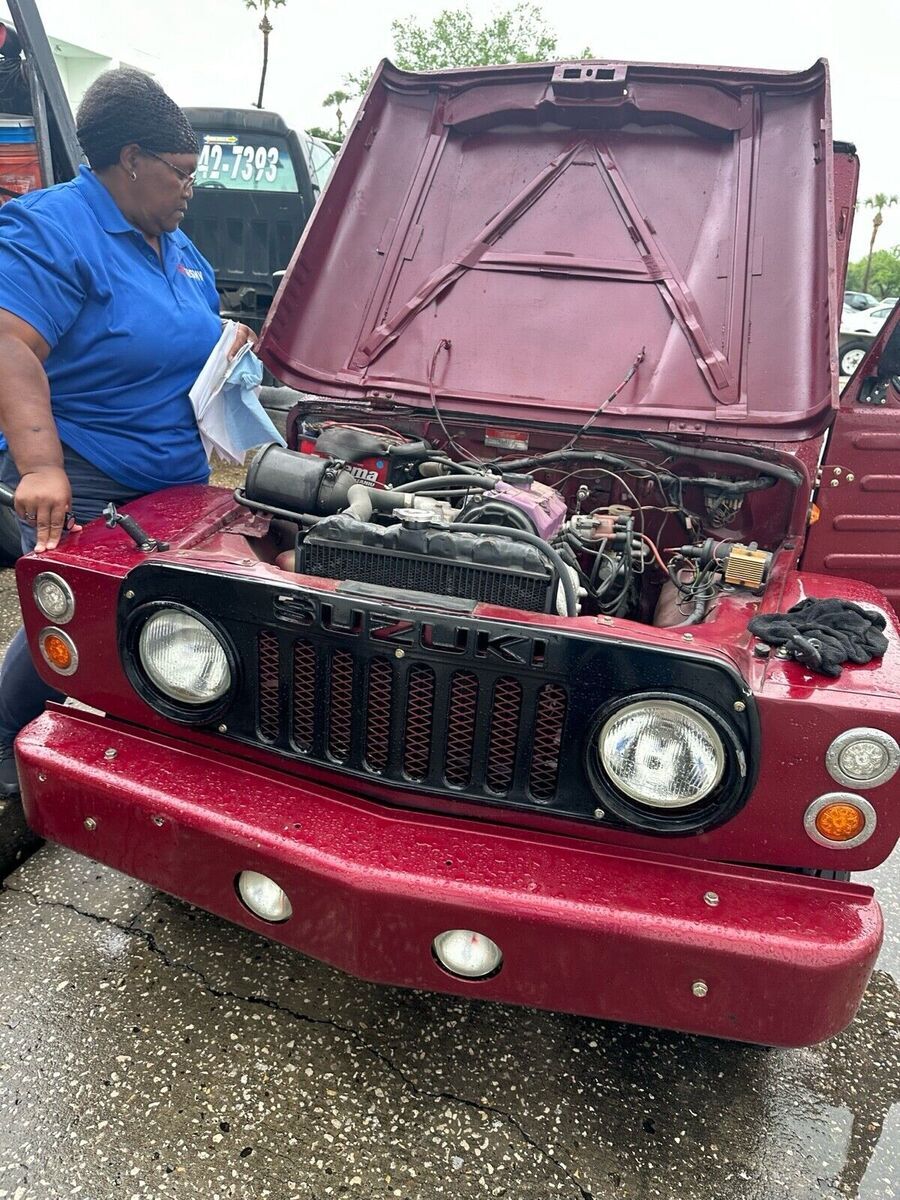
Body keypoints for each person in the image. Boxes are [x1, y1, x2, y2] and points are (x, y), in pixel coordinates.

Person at [0, 67, 255, 794]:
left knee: (158, 623)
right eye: (178, 172)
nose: (189, 187)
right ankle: (2, 742)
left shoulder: (172, 243)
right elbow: (9, 343)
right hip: (85, 473)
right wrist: (41, 467)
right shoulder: (54, 228)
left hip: (170, 479)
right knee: (86, 619)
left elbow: (198, 328)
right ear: (132, 158)